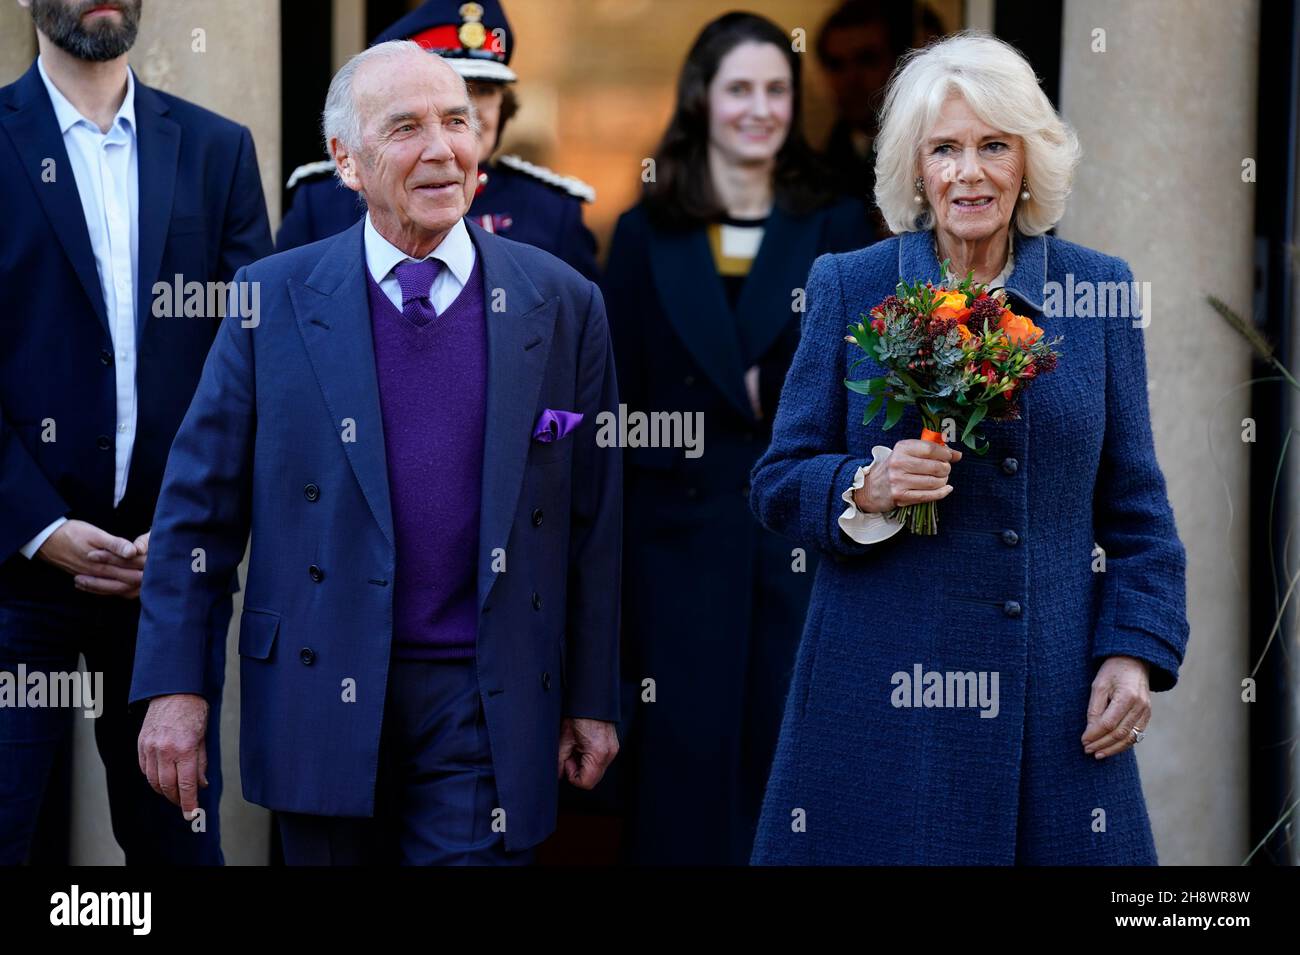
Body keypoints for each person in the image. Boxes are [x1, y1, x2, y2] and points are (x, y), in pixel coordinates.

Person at [129, 40, 621, 865]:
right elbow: (197, 514)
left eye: (457, 121)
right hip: (322, 693)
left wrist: (593, 696)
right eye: (405, 128)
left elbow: (595, 526)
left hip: (485, 704)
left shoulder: (563, 302)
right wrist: (176, 687)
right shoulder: (271, 299)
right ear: (345, 162)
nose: (442, 148)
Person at [749, 32, 1190, 865]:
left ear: (1029, 162)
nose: (970, 172)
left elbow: (1139, 511)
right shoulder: (852, 283)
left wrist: (1134, 652)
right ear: (916, 169)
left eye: (994, 146)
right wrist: (864, 484)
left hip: (1052, 703)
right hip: (880, 697)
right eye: (945, 149)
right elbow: (777, 480)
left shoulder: (1095, 291)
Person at [0, 0, 272, 865]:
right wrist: (41, 530)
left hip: (168, 577)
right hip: (13, 576)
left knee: (180, 850)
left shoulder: (217, 149)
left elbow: (255, 369)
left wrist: (187, 532)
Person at [602, 11, 873, 866]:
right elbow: (614, 407)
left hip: (798, 550)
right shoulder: (645, 234)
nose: (761, 108)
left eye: (778, 90)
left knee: (789, 778)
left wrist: (785, 394)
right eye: (740, 90)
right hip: (673, 554)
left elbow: (868, 392)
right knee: (680, 786)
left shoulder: (838, 221)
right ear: (702, 101)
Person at [276, 0, 599, 282]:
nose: (469, 110)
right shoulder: (321, 200)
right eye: (453, 88)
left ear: (505, 104)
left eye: (484, 91)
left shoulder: (551, 210)